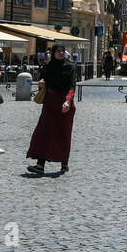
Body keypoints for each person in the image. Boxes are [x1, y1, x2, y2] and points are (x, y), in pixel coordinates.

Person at [26, 45, 77, 175]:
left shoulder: (70, 67)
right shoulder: (48, 67)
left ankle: (64, 163)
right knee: (44, 131)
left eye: (62, 51)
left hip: (64, 104)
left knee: (63, 133)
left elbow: (72, 86)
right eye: (57, 51)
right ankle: (40, 164)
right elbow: (43, 80)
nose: (60, 53)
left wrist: (67, 101)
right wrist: (42, 82)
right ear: (53, 52)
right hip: (49, 103)